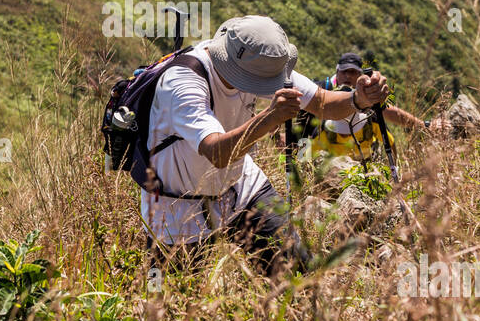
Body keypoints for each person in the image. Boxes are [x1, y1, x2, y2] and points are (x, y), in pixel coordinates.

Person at [142, 15, 390, 274]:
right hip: (176, 207)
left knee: (296, 271)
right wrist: (270, 117)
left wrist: (358, 99)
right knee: (174, 301)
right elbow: (216, 152)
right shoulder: (183, 82)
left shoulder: (259, 61)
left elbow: (322, 103)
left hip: (240, 187)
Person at [298, 51, 443, 165]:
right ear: (337, 72)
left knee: (376, 120)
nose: (348, 76)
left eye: (353, 72)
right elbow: (298, 114)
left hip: (361, 151)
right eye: (344, 71)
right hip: (320, 147)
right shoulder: (321, 89)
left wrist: (422, 125)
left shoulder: (367, 93)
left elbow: (388, 111)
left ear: (360, 75)